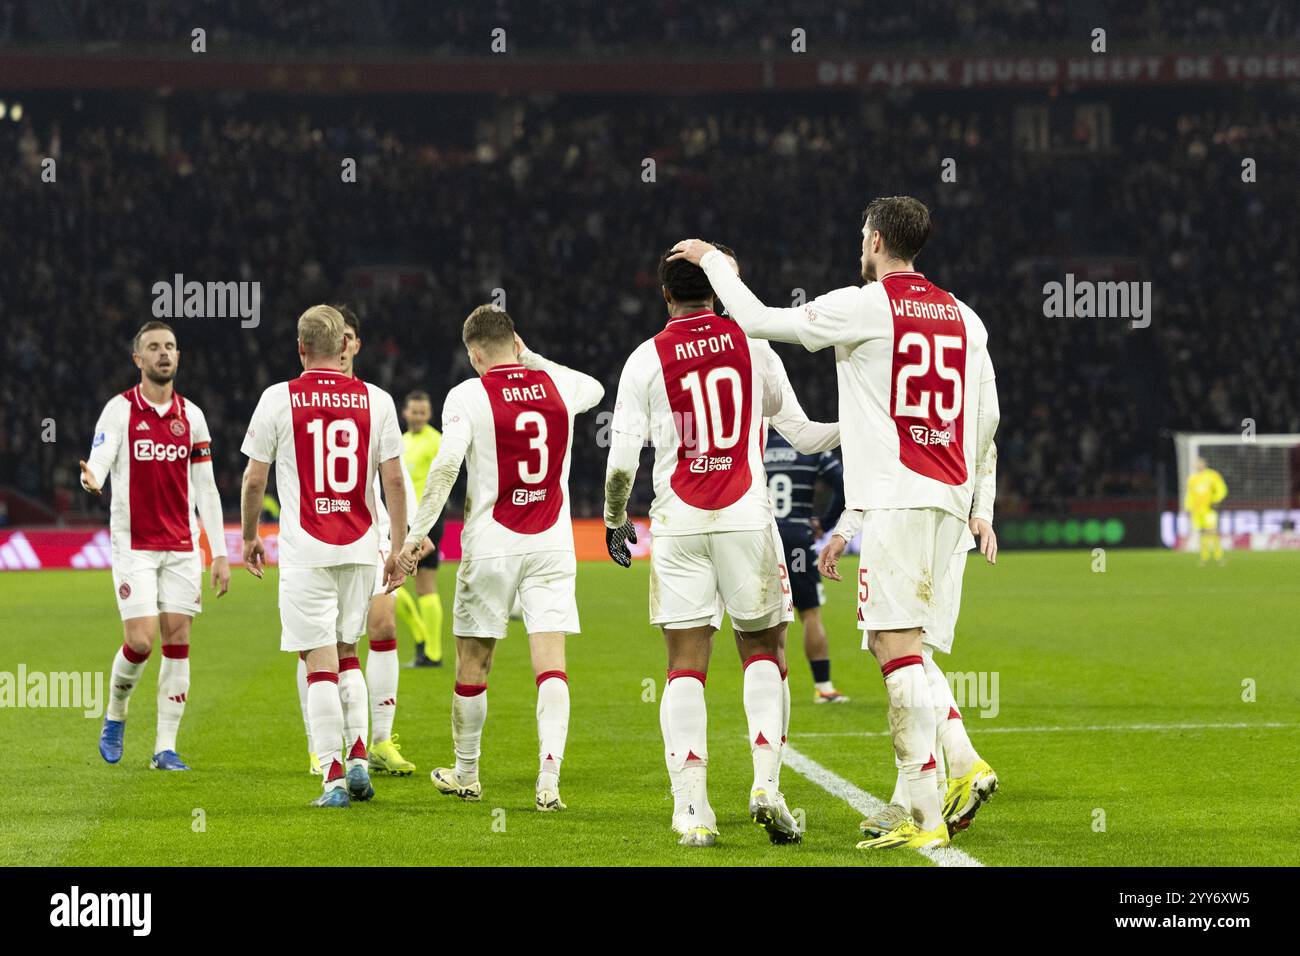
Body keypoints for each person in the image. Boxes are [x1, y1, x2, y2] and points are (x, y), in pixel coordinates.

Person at [671, 195, 1000, 850]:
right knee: (910, 647)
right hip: (949, 504)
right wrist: (979, 506)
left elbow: (760, 319)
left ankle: (925, 814)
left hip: (898, 504)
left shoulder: (864, 305)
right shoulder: (967, 318)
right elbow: (986, 420)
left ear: (876, 240)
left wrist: (712, 263)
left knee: (894, 649)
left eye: (861, 235)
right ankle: (940, 780)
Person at [603, 245, 808, 848]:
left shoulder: (644, 359)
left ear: (666, 295)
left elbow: (620, 465)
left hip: (677, 525)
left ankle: (692, 813)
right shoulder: (755, 345)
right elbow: (800, 431)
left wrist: (617, 522)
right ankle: (767, 784)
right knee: (765, 649)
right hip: (746, 517)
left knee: (685, 664)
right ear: (717, 291)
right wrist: (865, 425)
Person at [398, 305, 603, 812]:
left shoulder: (469, 393)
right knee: (551, 663)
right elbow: (596, 387)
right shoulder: (557, 385)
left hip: (491, 543)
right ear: (516, 342)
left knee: (474, 660)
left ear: (473, 354)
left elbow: (446, 467)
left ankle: (467, 774)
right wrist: (530, 356)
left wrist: (415, 536)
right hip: (553, 542)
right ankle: (549, 782)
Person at [240, 304, 407, 807]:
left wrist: (250, 536)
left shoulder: (278, 398)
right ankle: (358, 757)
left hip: (306, 550)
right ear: (344, 348)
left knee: (319, 664)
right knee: (350, 653)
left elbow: (253, 479)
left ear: (300, 349)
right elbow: (394, 479)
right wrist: (397, 547)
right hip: (360, 546)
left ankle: (333, 776)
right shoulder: (376, 400)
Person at [827, 441, 999, 839]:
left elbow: (869, 459)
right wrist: (981, 512)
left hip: (903, 526)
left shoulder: (884, 386)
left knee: (903, 654)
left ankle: (949, 773)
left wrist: (844, 530)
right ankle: (933, 785)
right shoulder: (962, 381)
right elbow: (986, 435)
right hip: (945, 526)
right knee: (907, 653)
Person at [82, 321, 230, 771]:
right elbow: (101, 457)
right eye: (153, 347)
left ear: (177, 357)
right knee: (141, 640)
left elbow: (206, 489)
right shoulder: (119, 411)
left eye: (169, 346)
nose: (163, 353)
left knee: (178, 639)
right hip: (135, 545)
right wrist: (93, 478)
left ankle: (165, 747)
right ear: (138, 359)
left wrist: (219, 552)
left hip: (182, 546)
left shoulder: (194, 417)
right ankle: (116, 713)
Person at [292, 306, 432, 776]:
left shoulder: (374, 401)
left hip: (368, 533)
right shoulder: (298, 402)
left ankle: (379, 741)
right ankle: (321, 744)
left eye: (351, 337)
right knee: (319, 642)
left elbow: (395, 477)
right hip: (317, 535)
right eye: (339, 337)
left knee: (384, 625)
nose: (345, 344)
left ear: (356, 344)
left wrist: (412, 534)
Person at [762, 427, 849, 703]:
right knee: (810, 614)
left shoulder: (755, 447)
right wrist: (824, 523)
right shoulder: (808, 448)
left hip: (762, 537)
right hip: (798, 540)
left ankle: (766, 688)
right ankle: (824, 688)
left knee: (764, 616)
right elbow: (846, 484)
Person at [400, 390, 447, 667]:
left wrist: (427, 523)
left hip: (427, 520)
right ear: (405, 412)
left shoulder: (436, 441)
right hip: (403, 520)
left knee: (426, 586)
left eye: (422, 412)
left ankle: (431, 651)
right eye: (413, 411)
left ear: (429, 414)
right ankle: (423, 639)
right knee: (388, 584)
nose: (417, 416)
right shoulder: (402, 442)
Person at [1185, 456, 1228, 565]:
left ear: (1204, 464)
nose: (1197, 465)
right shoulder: (1192, 479)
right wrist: (1188, 507)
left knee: (1212, 532)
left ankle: (1219, 557)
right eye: (1196, 463)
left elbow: (1222, 489)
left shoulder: (1212, 475)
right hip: (1197, 511)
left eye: (1199, 463)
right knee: (1202, 533)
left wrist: (1215, 500)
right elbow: (1189, 495)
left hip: (1209, 509)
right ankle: (1204, 557)